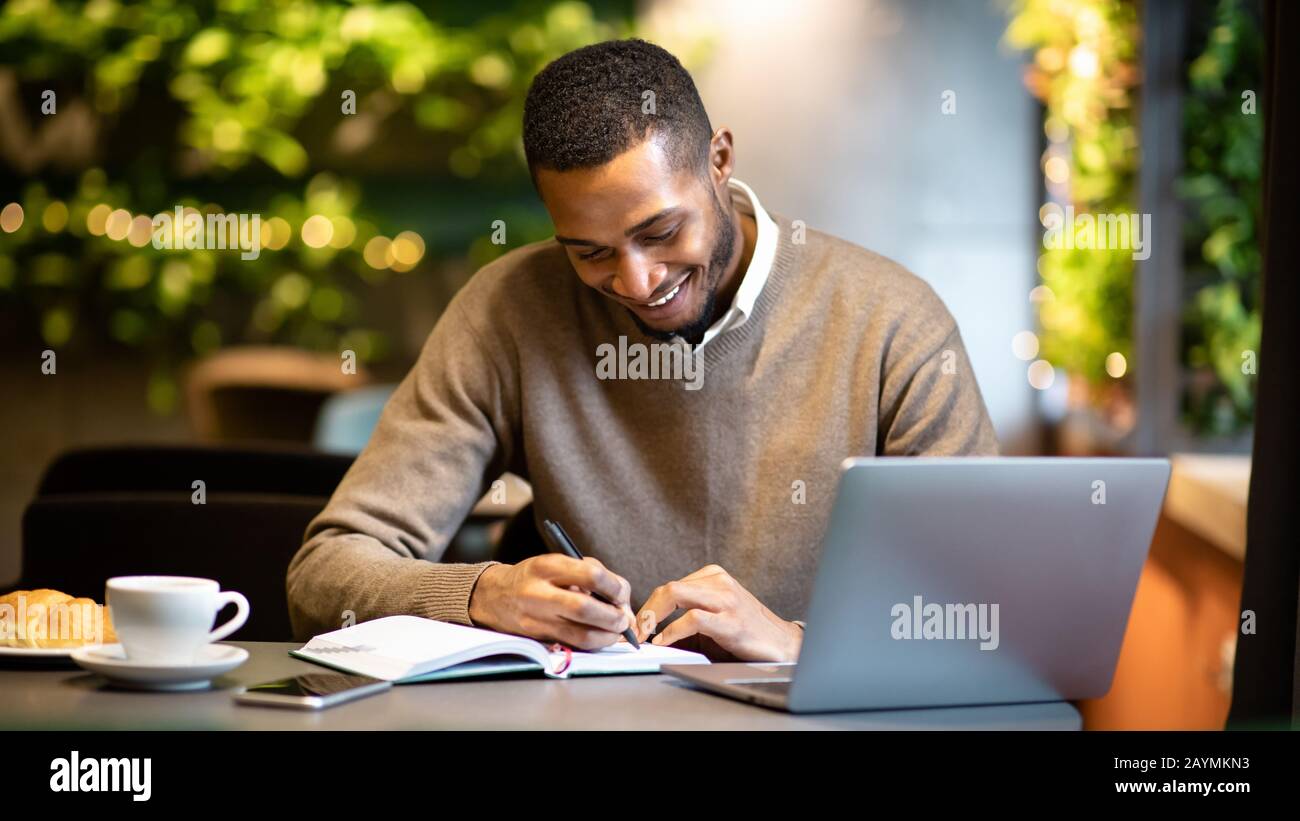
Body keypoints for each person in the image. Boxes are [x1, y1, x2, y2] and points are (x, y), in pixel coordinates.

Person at [287, 39, 998, 662]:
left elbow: (984, 609)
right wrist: (482, 591)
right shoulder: (510, 309)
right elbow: (324, 574)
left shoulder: (893, 321)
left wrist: (792, 643)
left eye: (660, 232)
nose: (636, 281)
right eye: (590, 251)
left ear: (720, 159)